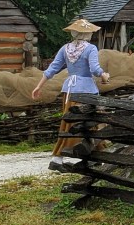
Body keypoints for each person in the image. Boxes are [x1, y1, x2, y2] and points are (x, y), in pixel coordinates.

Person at [32, 18, 111, 166]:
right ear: (86, 34)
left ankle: (95, 155)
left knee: (72, 121)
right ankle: (58, 156)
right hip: (86, 91)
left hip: (69, 90)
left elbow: (52, 69)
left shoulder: (65, 49)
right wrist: (104, 75)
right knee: (86, 121)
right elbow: (95, 69)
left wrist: (38, 86)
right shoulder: (90, 48)